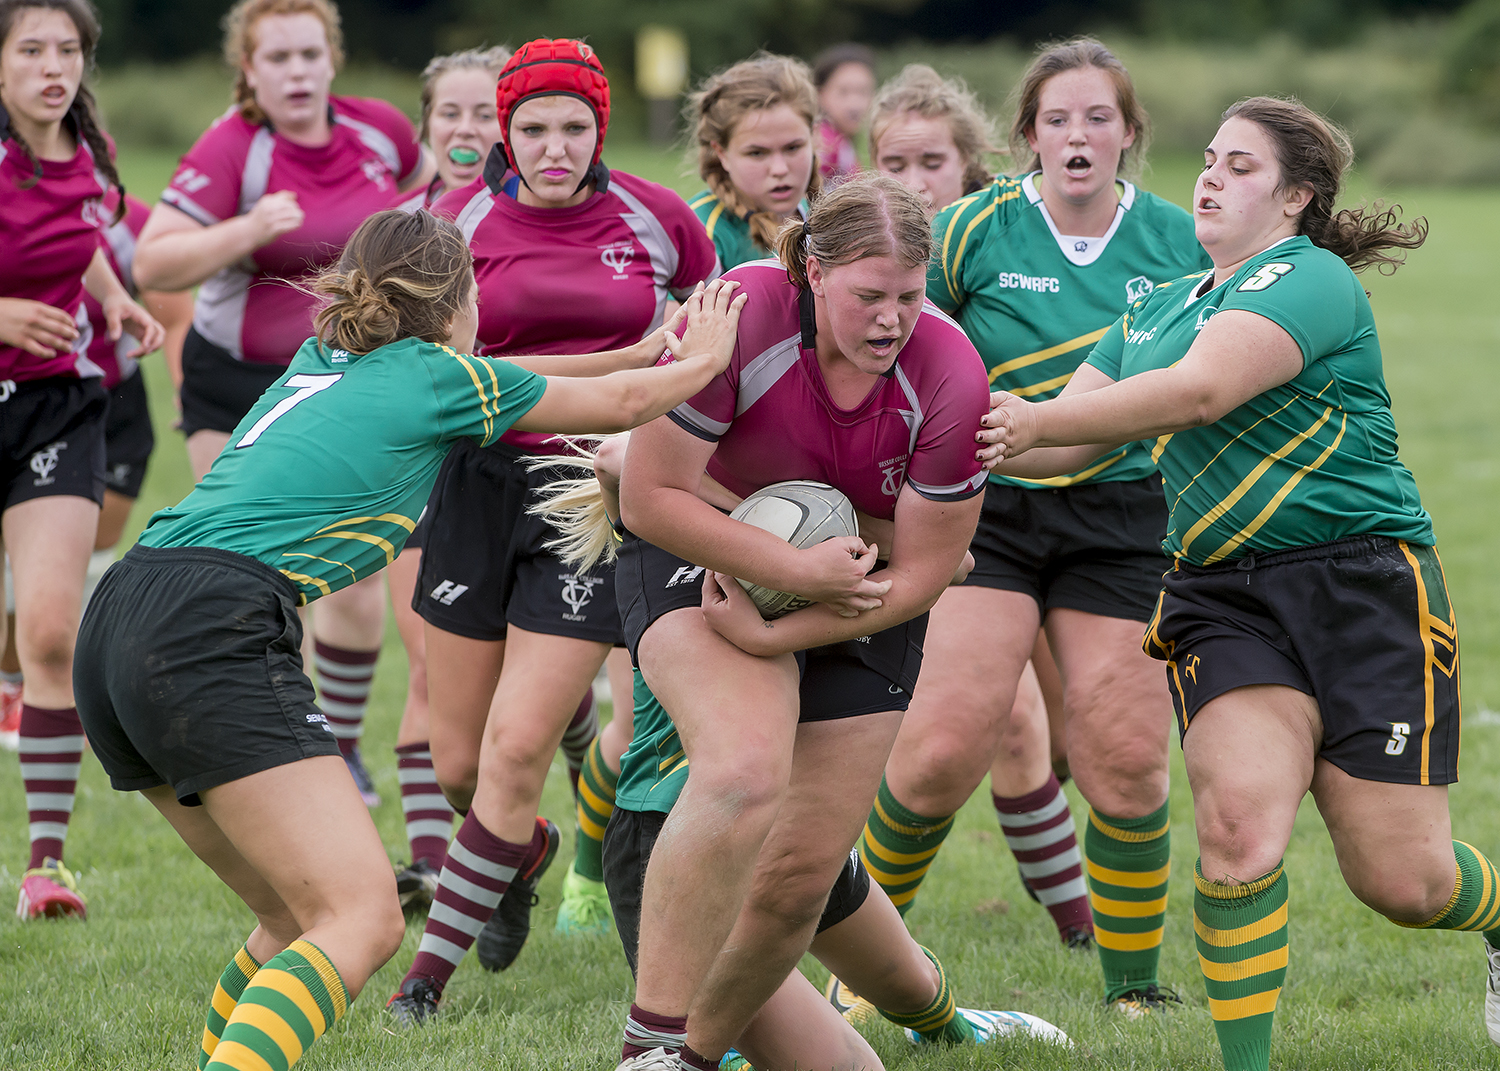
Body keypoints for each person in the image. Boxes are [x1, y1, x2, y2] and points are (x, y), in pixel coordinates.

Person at [73, 207, 746, 1071]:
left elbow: (519, 373)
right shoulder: (436, 378)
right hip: (212, 621)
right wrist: (705, 361)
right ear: (457, 301)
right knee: (363, 917)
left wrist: (636, 349)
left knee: (292, 916)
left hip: (124, 607)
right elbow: (613, 408)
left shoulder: (328, 359)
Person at [976, 95, 1500, 1071]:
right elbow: (1064, 438)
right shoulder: (1157, 308)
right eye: (1209, 158)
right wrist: (960, 439)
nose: (1210, 176)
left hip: (1363, 585)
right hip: (1223, 595)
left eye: (1242, 166)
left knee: (1405, 882)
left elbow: (1205, 388)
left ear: (1298, 196)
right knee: (1235, 830)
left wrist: (1038, 424)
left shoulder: (1308, 282)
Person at [610, 172, 990, 1071]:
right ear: (813, 271)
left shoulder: (953, 375)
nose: (891, 319)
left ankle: (687, 1059)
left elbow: (932, 571)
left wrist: (780, 628)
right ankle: (648, 1046)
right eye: (868, 295)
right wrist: (787, 569)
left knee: (793, 883)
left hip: (865, 592)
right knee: (742, 772)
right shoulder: (740, 313)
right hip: (704, 550)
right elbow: (649, 494)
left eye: (908, 294)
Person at [859, 40, 1211, 1002]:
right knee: (937, 753)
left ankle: (1133, 989)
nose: (1078, 135)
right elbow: (902, 340)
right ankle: (855, 976)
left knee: (1130, 759)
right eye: (1057, 119)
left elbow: (1218, 368)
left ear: (1130, 134)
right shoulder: (974, 229)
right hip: (989, 509)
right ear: (1026, 139)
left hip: (1126, 514)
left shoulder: (1181, 243)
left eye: (1099, 116)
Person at [385, 38, 720, 1018]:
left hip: (589, 499)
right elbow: (432, 375)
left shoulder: (659, 221)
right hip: (476, 487)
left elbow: (706, 337)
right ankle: (520, 850)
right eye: (532, 127)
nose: (554, 146)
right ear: (504, 130)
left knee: (516, 747)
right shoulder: (455, 224)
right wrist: (627, 357)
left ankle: (422, 985)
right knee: (458, 763)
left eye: (574, 126)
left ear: (601, 127)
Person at [133, 0, 434, 806]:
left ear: (332, 60)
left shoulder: (381, 133)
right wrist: (245, 229)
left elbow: (429, 223)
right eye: (278, 59)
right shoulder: (235, 147)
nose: (296, 73)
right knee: (248, 573)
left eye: (310, 55)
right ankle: (272, 748)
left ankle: (339, 746)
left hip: (349, 382)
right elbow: (153, 262)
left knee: (354, 574)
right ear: (250, 71)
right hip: (236, 384)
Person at [0, 0, 165, 920]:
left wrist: (113, 302)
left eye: (68, 49)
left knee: (54, 631)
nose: (53, 66)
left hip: (57, 408)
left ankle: (46, 866)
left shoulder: (89, 156)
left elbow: (83, 234)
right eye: (30, 49)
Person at [385, 42, 510, 909]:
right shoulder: (395, 229)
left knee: (541, 686)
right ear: (427, 124)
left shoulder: (529, 218)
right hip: (424, 470)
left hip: (523, 471)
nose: (467, 130)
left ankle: (571, 762)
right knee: (429, 662)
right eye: (451, 113)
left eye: (485, 113)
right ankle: (437, 864)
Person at [685, 53, 819, 272]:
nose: (780, 169)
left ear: (812, 137)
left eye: (793, 148)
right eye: (757, 153)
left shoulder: (824, 214)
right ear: (722, 153)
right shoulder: (698, 230)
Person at [868, 63, 999, 214]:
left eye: (932, 165)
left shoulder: (999, 227)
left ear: (965, 159)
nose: (913, 187)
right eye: (895, 168)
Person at [811, 43, 874, 187]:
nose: (854, 104)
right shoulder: (825, 145)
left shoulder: (845, 144)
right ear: (820, 94)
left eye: (863, 92)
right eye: (843, 92)